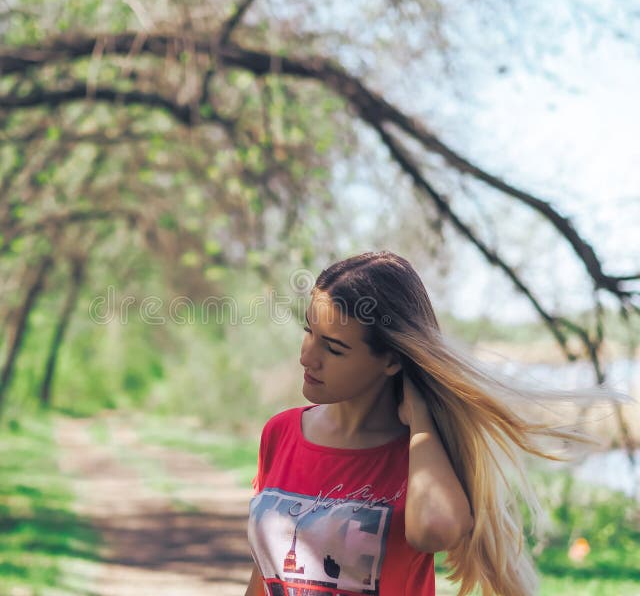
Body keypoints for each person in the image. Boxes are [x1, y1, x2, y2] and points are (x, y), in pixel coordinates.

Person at [244, 250, 624, 596]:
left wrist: (422, 420)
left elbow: (434, 530)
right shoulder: (280, 433)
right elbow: (264, 575)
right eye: (309, 331)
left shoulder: (421, 454)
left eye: (334, 347)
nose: (307, 357)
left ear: (391, 360)